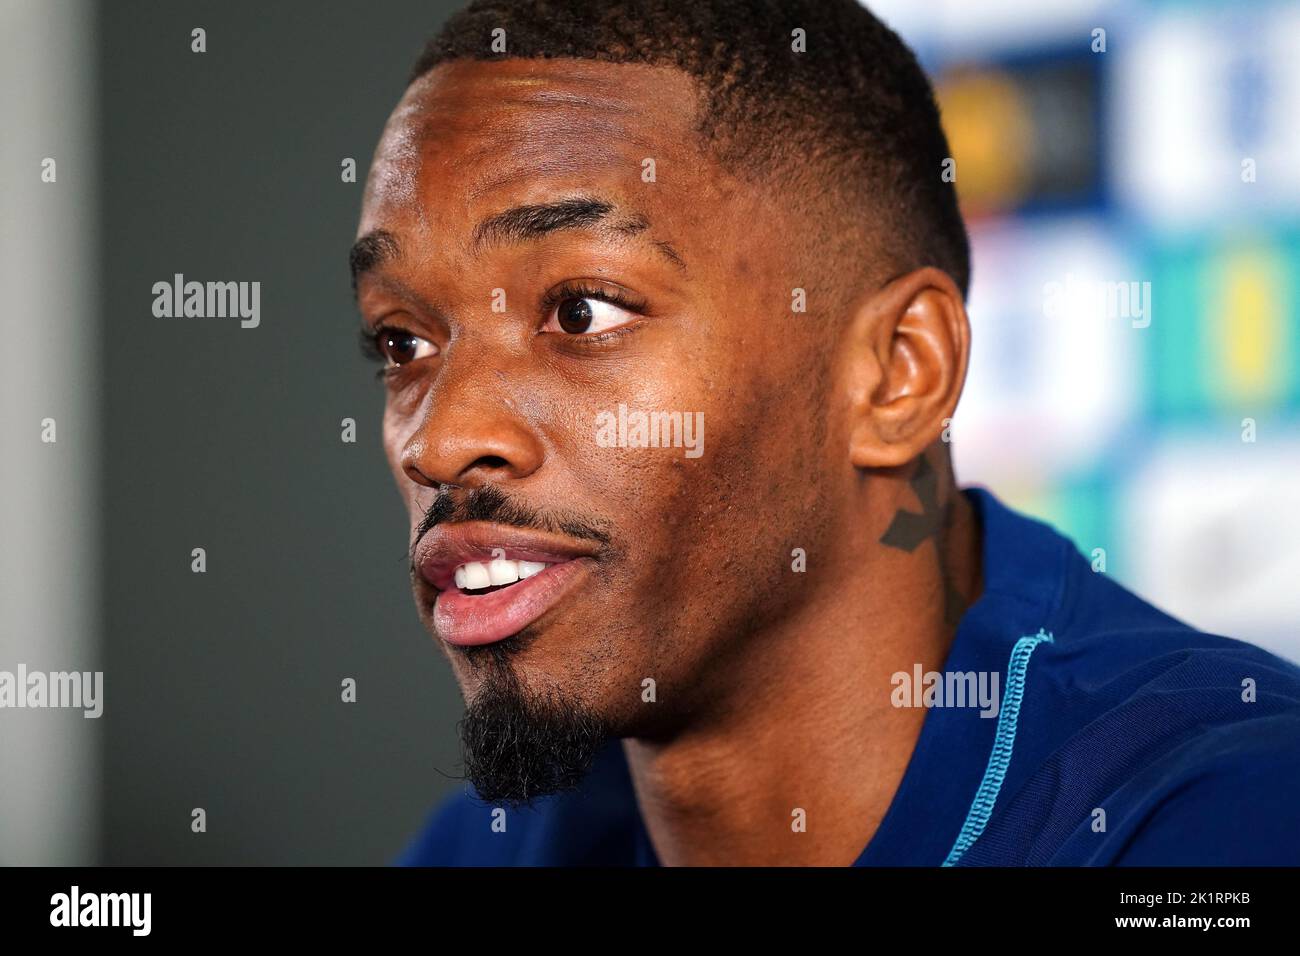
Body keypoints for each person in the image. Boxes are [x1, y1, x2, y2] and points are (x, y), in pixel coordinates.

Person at [348, 0, 1300, 865]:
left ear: (897, 374)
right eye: (403, 340)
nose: (439, 440)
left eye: (583, 312)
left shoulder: (1226, 819)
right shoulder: (489, 849)